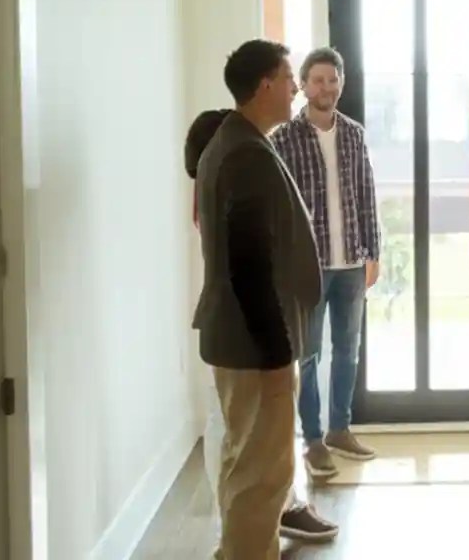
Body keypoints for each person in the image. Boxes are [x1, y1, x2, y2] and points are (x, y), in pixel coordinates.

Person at [192, 39, 322, 560]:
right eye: (289, 78)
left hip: (239, 338)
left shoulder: (235, 140)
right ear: (265, 84)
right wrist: (275, 351)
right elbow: (249, 263)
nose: (296, 89)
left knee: (242, 462)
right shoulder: (245, 152)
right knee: (264, 473)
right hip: (253, 344)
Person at [271, 47, 382, 478]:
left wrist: (373, 252)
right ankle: (313, 439)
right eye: (318, 80)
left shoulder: (354, 134)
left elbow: (366, 195)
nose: (326, 88)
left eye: (333, 80)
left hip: (351, 262)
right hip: (307, 268)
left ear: (341, 84)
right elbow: (279, 209)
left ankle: (340, 428)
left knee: (348, 351)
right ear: (302, 85)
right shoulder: (284, 138)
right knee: (308, 354)